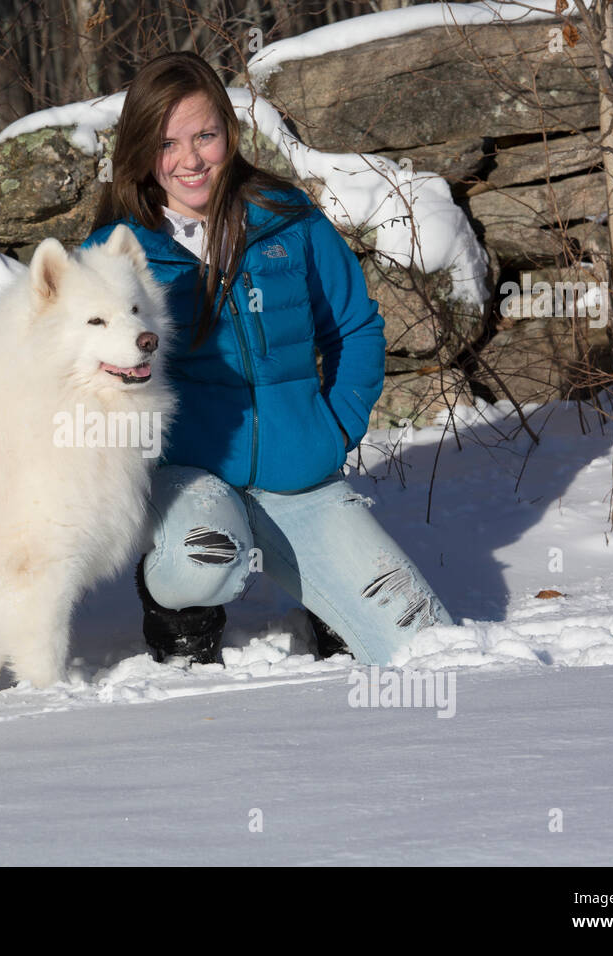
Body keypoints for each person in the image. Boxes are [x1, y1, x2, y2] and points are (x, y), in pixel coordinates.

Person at [80, 51, 453, 667]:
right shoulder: (115, 251)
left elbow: (355, 327)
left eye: (205, 136)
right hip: (186, 477)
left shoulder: (288, 219)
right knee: (203, 561)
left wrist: (335, 428)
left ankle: (324, 599)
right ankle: (181, 611)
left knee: (426, 644)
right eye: (167, 143)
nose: (190, 160)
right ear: (142, 151)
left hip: (301, 476)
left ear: (230, 131)